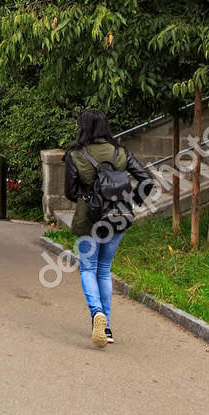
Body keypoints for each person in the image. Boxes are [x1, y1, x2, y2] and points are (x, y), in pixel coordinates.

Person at [64, 109, 153, 348]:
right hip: (119, 216)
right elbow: (146, 179)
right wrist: (131, 201)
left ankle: (96, 314)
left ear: (84, 128)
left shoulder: (76, 155)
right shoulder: (121, 152)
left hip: (89, 219)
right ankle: (108, 327)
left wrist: (88, 196)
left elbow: (70, 192)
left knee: (88, 268)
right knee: (104, 270)